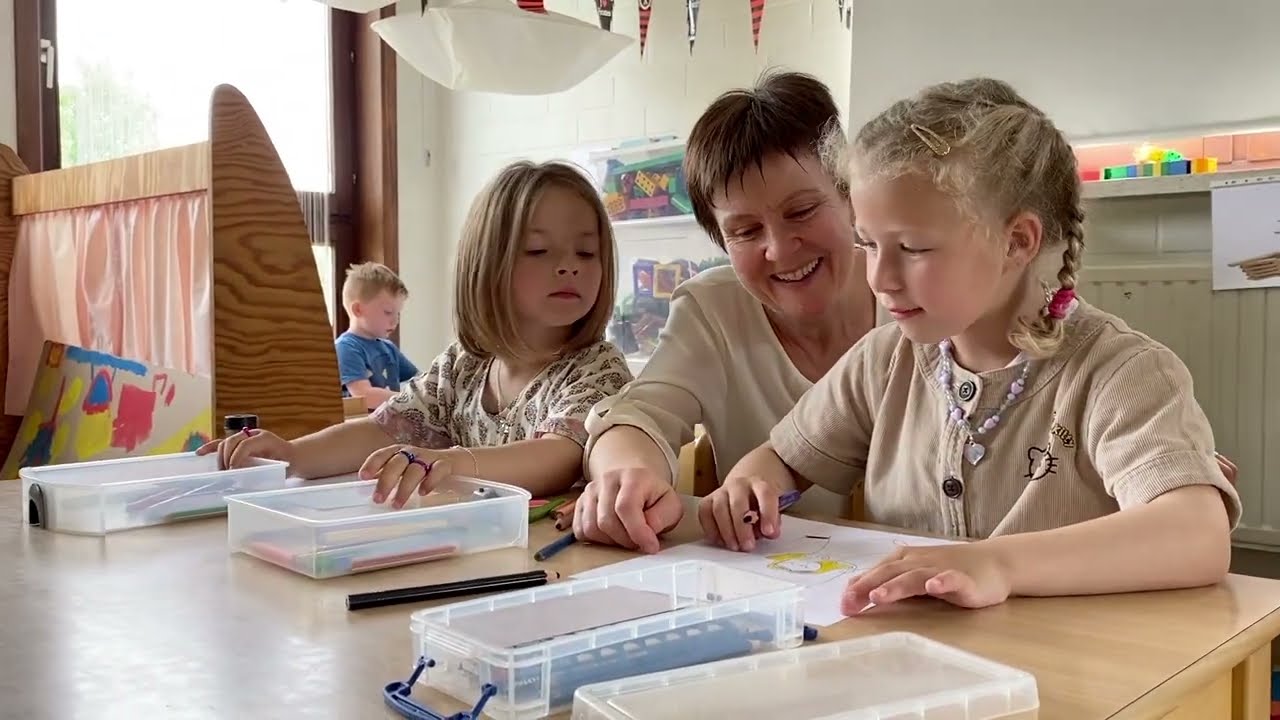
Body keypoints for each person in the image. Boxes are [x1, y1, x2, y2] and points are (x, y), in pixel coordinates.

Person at [699, 77, 1241, 615]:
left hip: (1074, 674)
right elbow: (782, 459)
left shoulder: (1120, 373)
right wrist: (752, 483)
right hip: (923, 665)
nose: (880, 277)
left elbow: (1197, 534)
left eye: (912, 247)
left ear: (1017, 241)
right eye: (868, 244)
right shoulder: (884, 361)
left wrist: (995, 563)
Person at [198, 160, 633, 504]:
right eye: (539, 250)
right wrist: (293, 456)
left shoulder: (599, 369)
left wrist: (443, 462)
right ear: (485, 267)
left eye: (587, 251)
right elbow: (383, 429)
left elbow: (558, 456)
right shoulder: (462, 366)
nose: (569, 265)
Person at [574, 70, 878, 554]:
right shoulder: (713, 308)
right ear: (720, 241)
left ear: (850, 197)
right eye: (745, 231)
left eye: (801, 212)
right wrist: (626, 478)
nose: (779, 249)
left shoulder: (913, 300)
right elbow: (641, 414)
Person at [335, 262, 419, 411]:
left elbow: (420, 380)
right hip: (362, 431)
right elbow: (364, 396)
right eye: (388, 312)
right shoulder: (345, 348)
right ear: (358, 309)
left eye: (397, 313)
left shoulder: (388, 348)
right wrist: (409, 399)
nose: (395, 321)